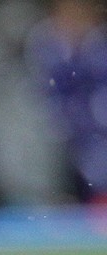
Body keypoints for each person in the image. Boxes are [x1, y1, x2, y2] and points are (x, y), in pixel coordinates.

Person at [26, 0, 107, 203]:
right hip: (51, 134)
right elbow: (43, 94)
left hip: (92, 135)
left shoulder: (98, 45)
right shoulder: (42, 44)